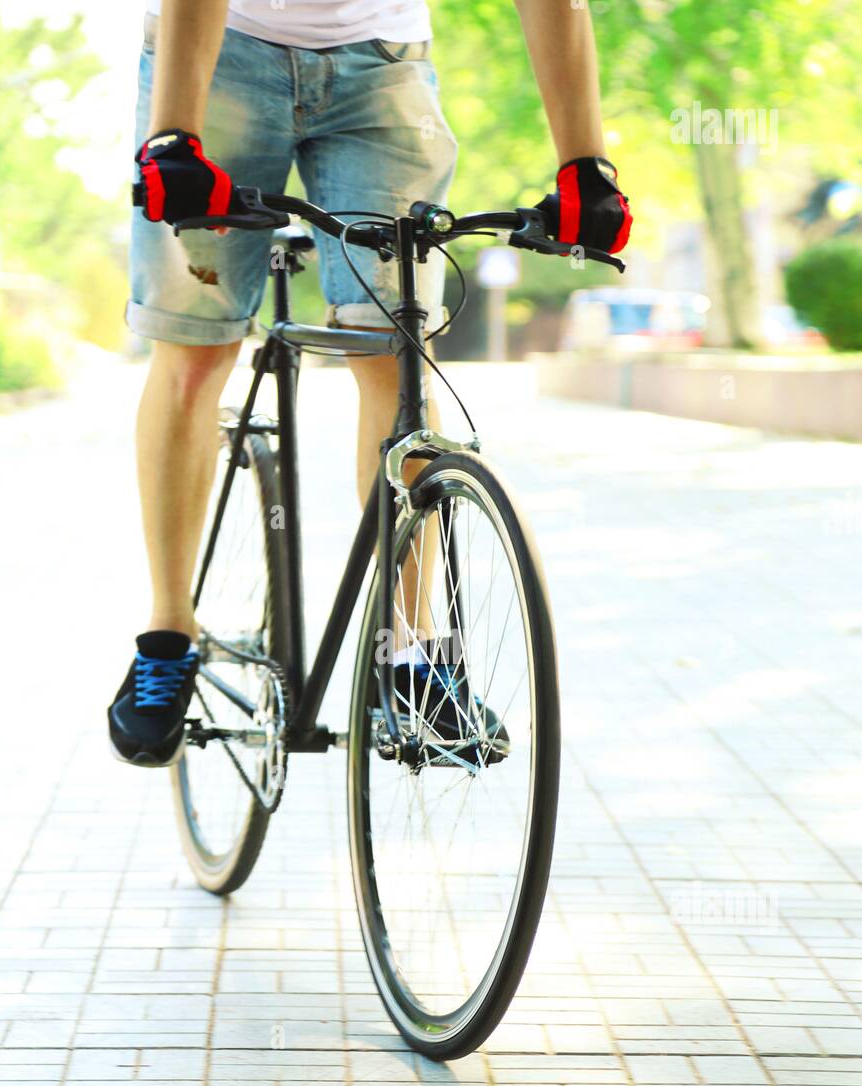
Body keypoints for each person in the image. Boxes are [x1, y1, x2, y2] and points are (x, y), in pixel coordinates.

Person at [108, 0, 631, 767]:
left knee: (393, 348)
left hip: (379, 69)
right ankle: (167, 635)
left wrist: (587, 162)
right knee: (195, 352)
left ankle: (415, 654)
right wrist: (172, 135)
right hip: (219, 54)